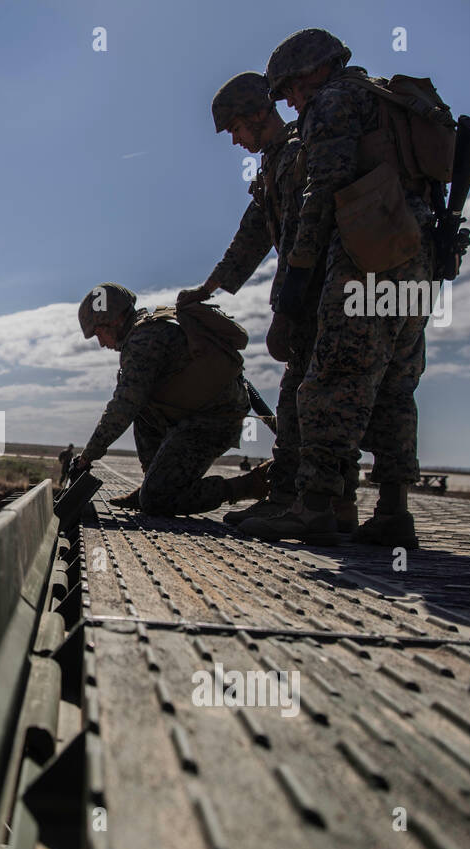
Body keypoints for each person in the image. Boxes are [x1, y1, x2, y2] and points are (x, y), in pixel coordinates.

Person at [240, 29, 437, 547]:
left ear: (311, 73)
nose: (287, 102)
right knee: (396, 385)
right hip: (415, 255)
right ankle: (394, 509)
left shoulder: (334, 103)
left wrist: (295, 285)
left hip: (365, 255)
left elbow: (321, 192)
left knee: (333, 381)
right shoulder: (385, 99)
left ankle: (318, 506)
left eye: (288, 90)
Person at [178, 70, 359, 534]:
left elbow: (307, 236)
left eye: (237, 128)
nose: (236, 140)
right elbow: (251, 237)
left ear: (261, 114)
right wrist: (210, 288)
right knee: (314, 395)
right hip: (315, 297)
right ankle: (303, 500)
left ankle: (303, 502)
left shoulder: (298, 154)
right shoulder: (274, 164)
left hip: (322, 295)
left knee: (314, 397)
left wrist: (288, 308)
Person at [69, 282, 269, 515]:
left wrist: (87, 457)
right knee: (142, 408)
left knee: (157, 501)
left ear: (114, 320)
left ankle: (246, 485)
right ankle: (153, 482)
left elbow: (123, 405)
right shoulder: (144, 333)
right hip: (198, 415)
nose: (101, 343)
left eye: (99, 332)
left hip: (214, 421)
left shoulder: (144, 340)